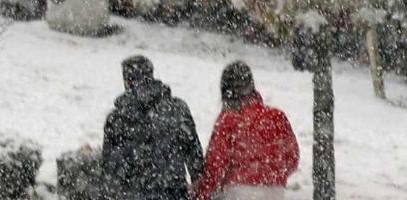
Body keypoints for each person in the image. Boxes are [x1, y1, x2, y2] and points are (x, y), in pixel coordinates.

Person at [101, 54, 205, 200]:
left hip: (134, 194)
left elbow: (110, 168)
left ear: (127, 81)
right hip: (174, 192)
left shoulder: (117, 118)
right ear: (151, 75)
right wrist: (197, 180)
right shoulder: (178, 108)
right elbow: (194, 152)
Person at [192, 61, 298, 200]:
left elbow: (216, 165)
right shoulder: (276, 117)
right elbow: (292, 157)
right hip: (275, 191)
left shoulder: (228, 120)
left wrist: (201, 194)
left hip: (238, 190)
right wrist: (274, 176)